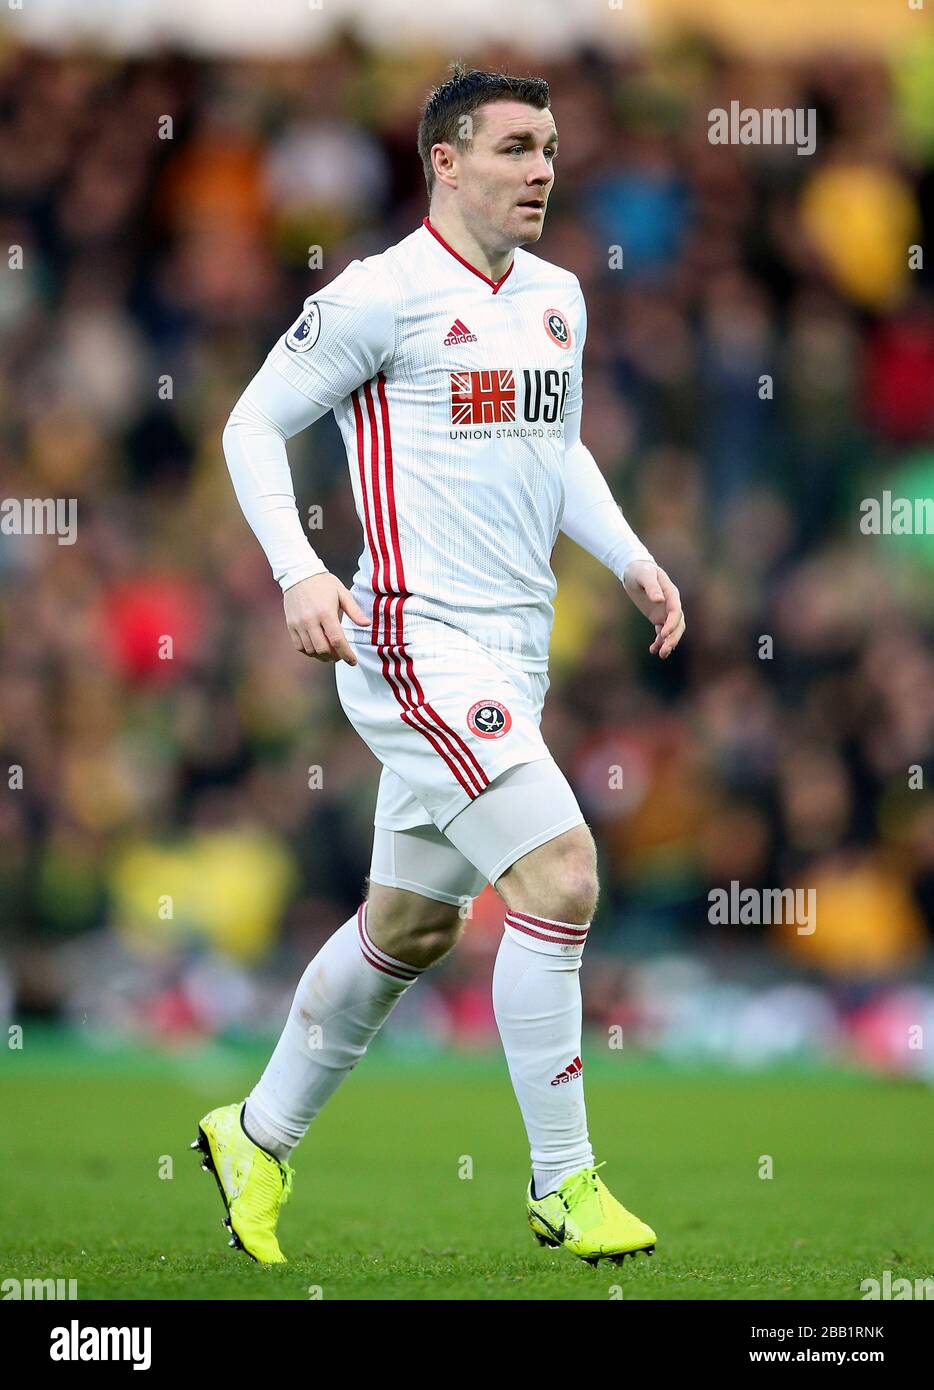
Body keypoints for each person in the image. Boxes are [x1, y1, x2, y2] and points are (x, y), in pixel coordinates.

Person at [193, 64, 685, 1267]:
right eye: (516, 147)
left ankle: (254, 1134)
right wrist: (300, 571)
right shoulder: (380, 297)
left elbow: (555, 445)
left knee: (410, 926)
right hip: (415, 640)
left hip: (513, 657)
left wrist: (628, 556)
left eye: (552, 147)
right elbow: (251, 423)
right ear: (445, 160)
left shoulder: (561, 295)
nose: (542, 169)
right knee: (561, 875)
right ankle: (564, 1182)